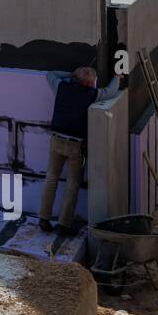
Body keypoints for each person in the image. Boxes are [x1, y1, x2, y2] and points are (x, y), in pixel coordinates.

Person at [39, 66, 120, 234]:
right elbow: (111, 91)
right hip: (76, 144)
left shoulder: (61, 87)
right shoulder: (92, 94)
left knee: (51, 177)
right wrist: (117, 76)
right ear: (91, 83)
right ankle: (63, 225)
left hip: (57, 138)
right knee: (72, 184)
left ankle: (43, 219)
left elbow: (51, 73)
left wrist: (71, 73)